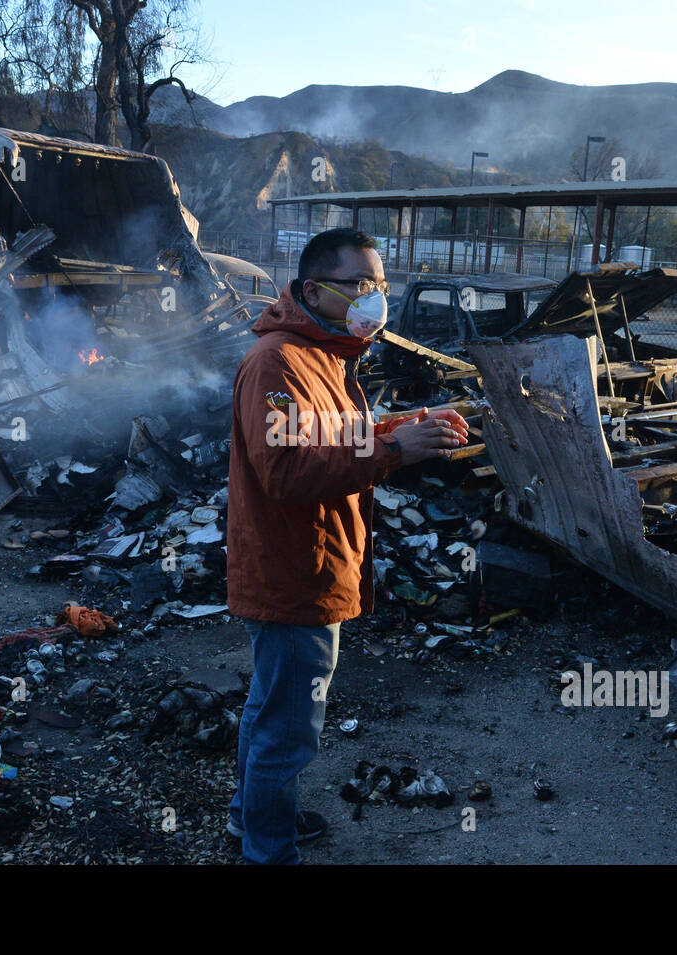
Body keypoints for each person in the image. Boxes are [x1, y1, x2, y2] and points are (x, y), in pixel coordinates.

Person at [225, 228, 469, 864]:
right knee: (288, 728)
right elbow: (285, 470)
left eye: (380, 284)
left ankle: (249, 817)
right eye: (360, 284)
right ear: (313, 289)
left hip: (312, 561)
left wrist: (401, 428)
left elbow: (333, 434)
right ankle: (268, 851)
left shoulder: (324, 352)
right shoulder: (278, 361)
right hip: (293, 572)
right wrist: (390, 452)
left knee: (269, 705)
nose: (374, 298)